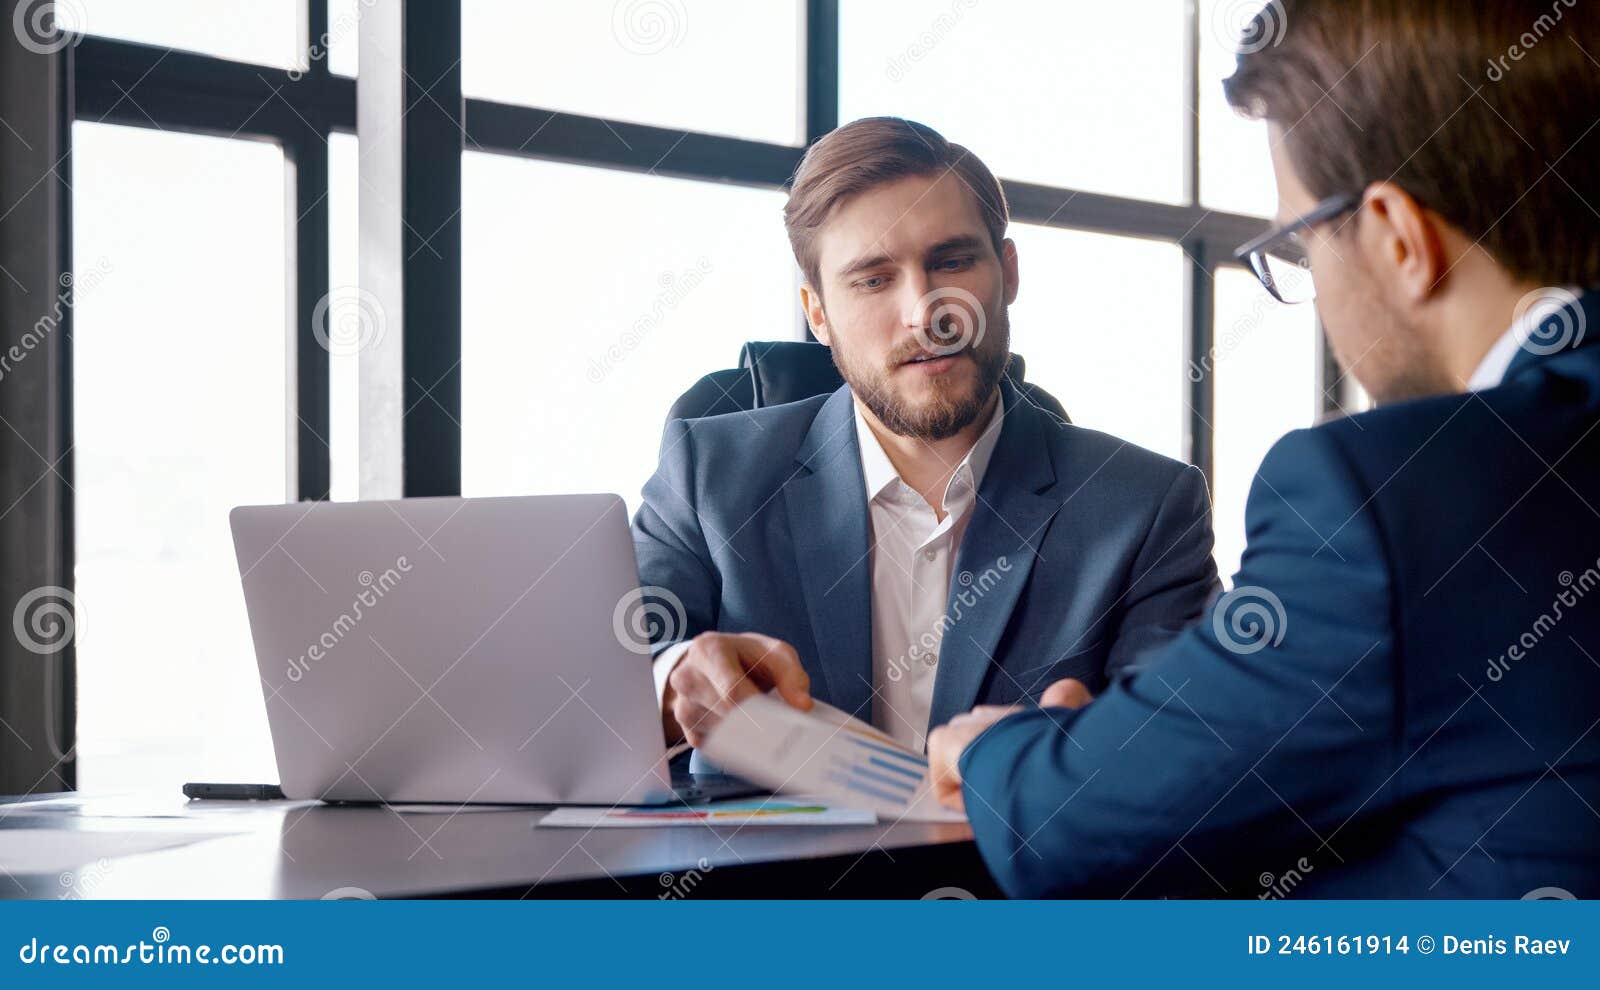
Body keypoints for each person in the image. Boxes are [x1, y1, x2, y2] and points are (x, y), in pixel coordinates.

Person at [929, 0, 1600, 897]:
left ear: (1399, 239)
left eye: (1299, 245)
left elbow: (1069, 825)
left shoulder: (1395, 501)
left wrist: (1004, 749)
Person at [633, 117, 1220, 753]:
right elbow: (596, 682)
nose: (927, 313)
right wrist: (671, 680)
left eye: (953, 261)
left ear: (1008, 272)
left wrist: (1079, 757)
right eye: (874, 279)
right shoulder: (705, 477)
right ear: (818, 313)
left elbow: (1181, 756)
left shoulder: (1147, 509)